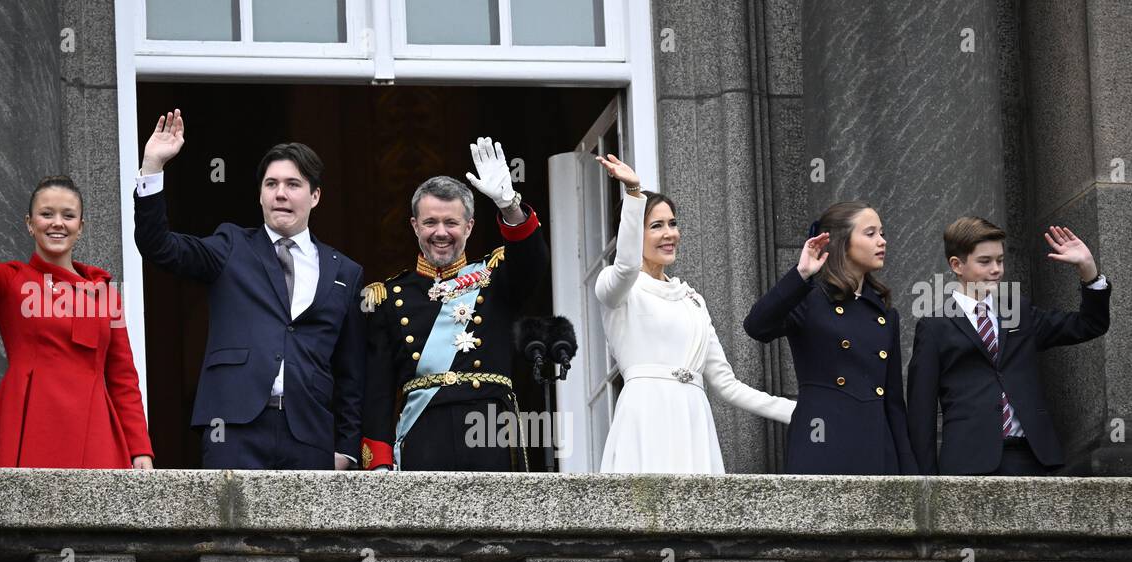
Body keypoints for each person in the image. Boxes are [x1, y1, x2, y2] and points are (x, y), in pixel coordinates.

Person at [133, 109, 364, 470]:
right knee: (231, 530)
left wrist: (346, 447)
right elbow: (158, 246)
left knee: (302, 530)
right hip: (233, 428)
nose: (280, 194)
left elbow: (351, 371)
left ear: (315, 196)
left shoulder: (345, 271)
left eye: (293, 184)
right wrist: (152, 167)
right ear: (260, 195)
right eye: (271, 184)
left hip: (310, 435)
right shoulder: (231, 246)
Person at [0, 130, 153, 469]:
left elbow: (122, 377)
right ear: (30, 224)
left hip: (95, 431)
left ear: (81, 227)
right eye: (46, 214)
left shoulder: (104, 295)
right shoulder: (11, 282)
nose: (58, 223)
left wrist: (139, 448)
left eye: (68, 216)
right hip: (28, 427)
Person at [593, 155, 795, 474]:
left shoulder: (692, 300)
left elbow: (727, 385)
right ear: (633, 233)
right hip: (645, 415)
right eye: (656, 226)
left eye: (672, 223)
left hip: (693, 420)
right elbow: (627, 266)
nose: (669, 233)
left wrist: (795, 411)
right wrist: (633, 192)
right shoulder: (616, 288)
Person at [360, 138, 548, 471]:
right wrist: (379, 463)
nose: (441, 233)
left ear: (470, 226)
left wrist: (509, 206)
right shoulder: (389, 297)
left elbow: (533, 265)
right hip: (423, 438)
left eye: (452, 223)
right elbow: (377, 391)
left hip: (489, 435)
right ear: (415, 226)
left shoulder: (497, 278)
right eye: (430, 223)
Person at [906, 217, 1110, 476]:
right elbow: (920, 411)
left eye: (1000, 260)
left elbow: (1090, 325)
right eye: (985, 261)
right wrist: (926, 481)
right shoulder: (935, 326)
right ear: (957, 265)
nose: (996, 269)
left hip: (1033, 458)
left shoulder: (1018, 312)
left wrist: (1088, 270)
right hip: (968, 463)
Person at [744, 202, 917, 475]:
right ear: (841, 242)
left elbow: (893, 400)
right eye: (870, 233)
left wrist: (909, 472)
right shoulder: (809, 299)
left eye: (881, 233)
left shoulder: (885, 314)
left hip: (875, 442)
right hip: (821, 437)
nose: (882, 241)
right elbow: (757, 326)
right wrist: (800, 274)